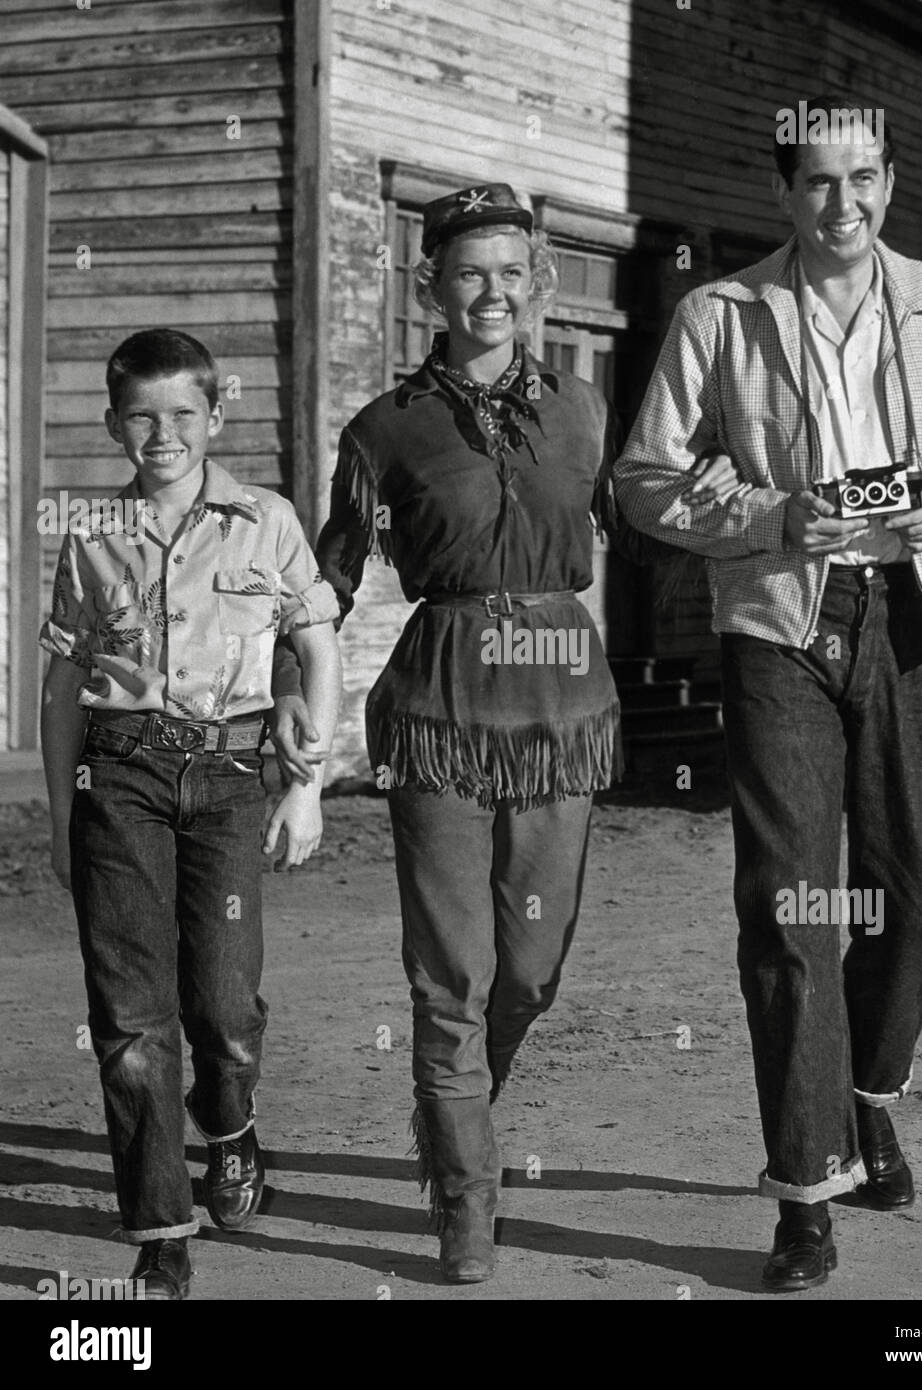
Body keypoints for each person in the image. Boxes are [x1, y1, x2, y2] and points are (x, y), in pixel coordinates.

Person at [615, 98, 922, 1290]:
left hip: (915, 618)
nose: (839, 204)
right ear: (783, 192)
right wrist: (770, 515)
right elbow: (645, 477)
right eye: (815, 182)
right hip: (780, 621)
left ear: (891, 186)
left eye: (860, 180)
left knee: (915, 898)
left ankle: (863, 1091)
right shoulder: (719, 312)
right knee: (791, 909)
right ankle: (804, 1190)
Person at [272, 184, 670, 1284]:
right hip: (440, 715)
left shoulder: (587, 409)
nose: (490, 291)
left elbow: (641, 539)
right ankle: (465, 1200)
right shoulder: (384, 428)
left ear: (536, 284)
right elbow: (328, 578)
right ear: (431, 286)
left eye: (510, 271)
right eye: (466, 272)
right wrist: (288, 701)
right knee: (451, 971)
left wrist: (737, 522)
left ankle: (452, 1112)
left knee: (529, 970)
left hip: (560, 715)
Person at [39, 329, 341, 1300]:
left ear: (219, 413)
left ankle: (233, 1123)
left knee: (223, 1002)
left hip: (225, 777)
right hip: (117, 777)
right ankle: (160, 1230)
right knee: (130, 1018)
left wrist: (307, 785)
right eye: (140, 414)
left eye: (181, 413)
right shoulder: (92, 534)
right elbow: (63, 685)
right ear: (112, 421)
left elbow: (316, 640)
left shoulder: (267, 521)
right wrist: (58, 814)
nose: (160, 433)